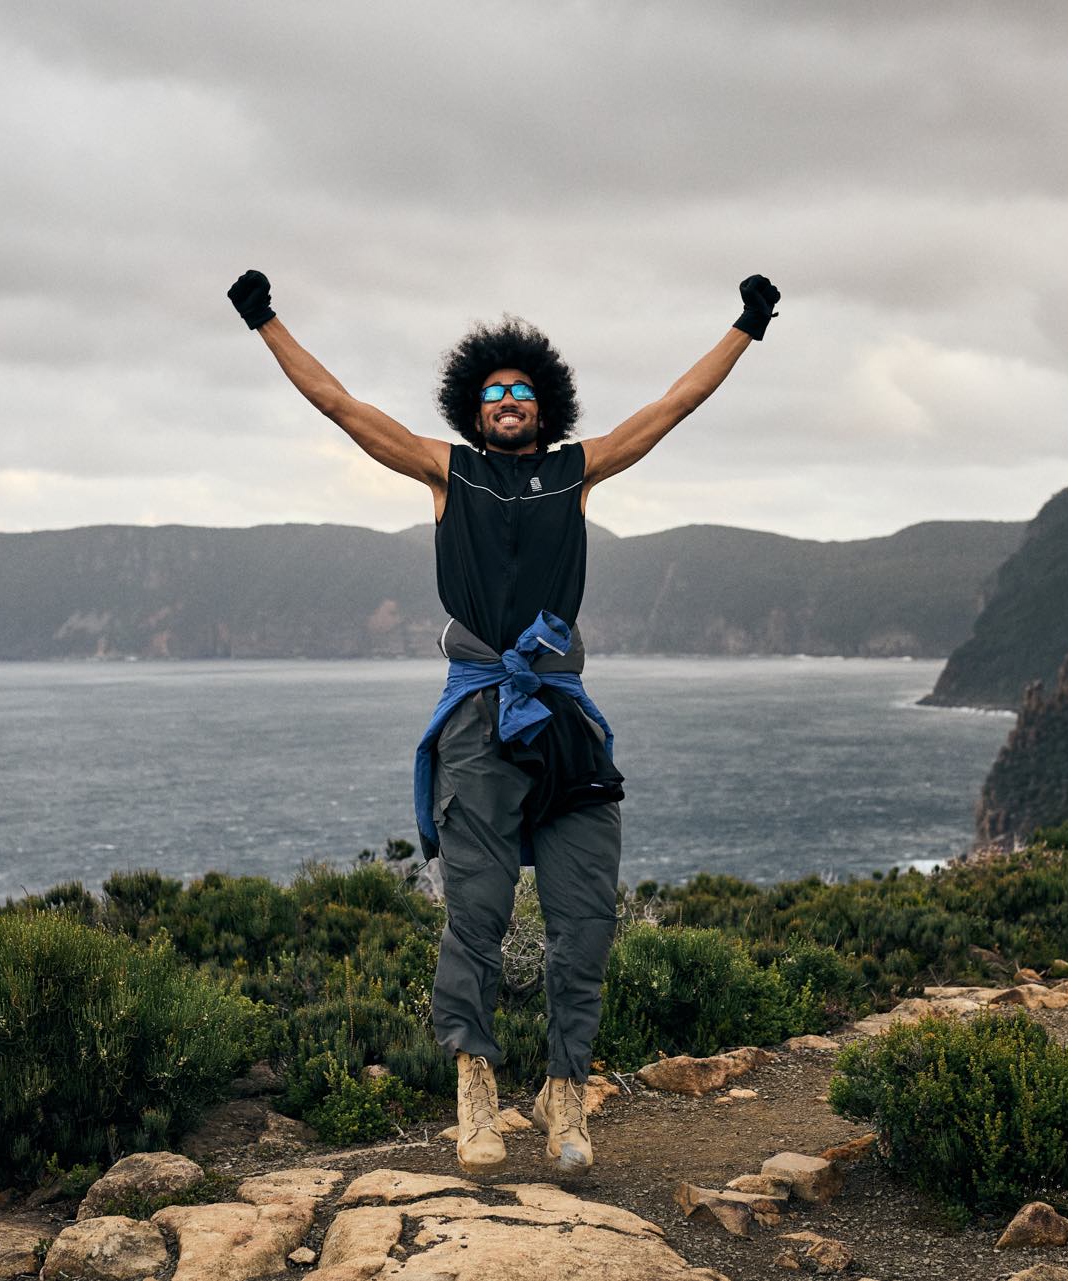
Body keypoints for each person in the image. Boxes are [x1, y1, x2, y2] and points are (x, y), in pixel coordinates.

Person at [226, 268, 779, 1175]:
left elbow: (675, 404)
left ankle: (566, 1096)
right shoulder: (446, 473)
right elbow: (341, 405)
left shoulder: (578, 470)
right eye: (494, 393)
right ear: (472, 410)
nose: (509, 400)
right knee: (475, 915)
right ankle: (476, 1095)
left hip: (562, 712)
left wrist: (746, 327)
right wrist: (266, 322)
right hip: (480, 713)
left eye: (522, 390)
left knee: (586, 916)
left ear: (543, 404)